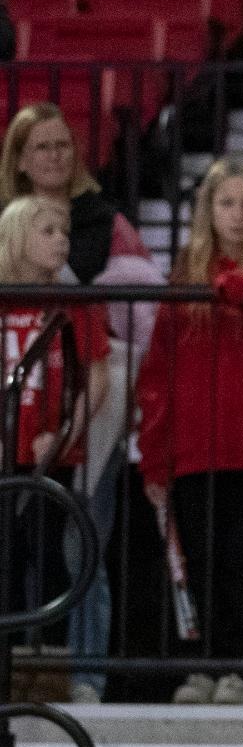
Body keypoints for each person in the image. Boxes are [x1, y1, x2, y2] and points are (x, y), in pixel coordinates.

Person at [135, 159, 243, 705]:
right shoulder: (186, 270)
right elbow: (159, 372)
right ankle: (200, 667)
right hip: (192, 444)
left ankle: (240, 668)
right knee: (200, 558)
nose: (238, 216)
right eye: (227, 204)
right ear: (208, 210)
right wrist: (154, 455)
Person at [0, 196, 108, 700]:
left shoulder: (75, 305)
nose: (62, 241)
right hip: (5, 452)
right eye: (48, 231)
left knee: (46, 558)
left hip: (49, 452)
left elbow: (98, 378)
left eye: (64, 231)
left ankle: (42, 668)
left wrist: (65, 430)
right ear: (17, 235)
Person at [2, 103, 123, 283]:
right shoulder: (4, 215)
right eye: (42, 147)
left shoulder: (97, 216)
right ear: (20, 161)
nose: (54, 155)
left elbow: (75, 280)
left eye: (63, 145)